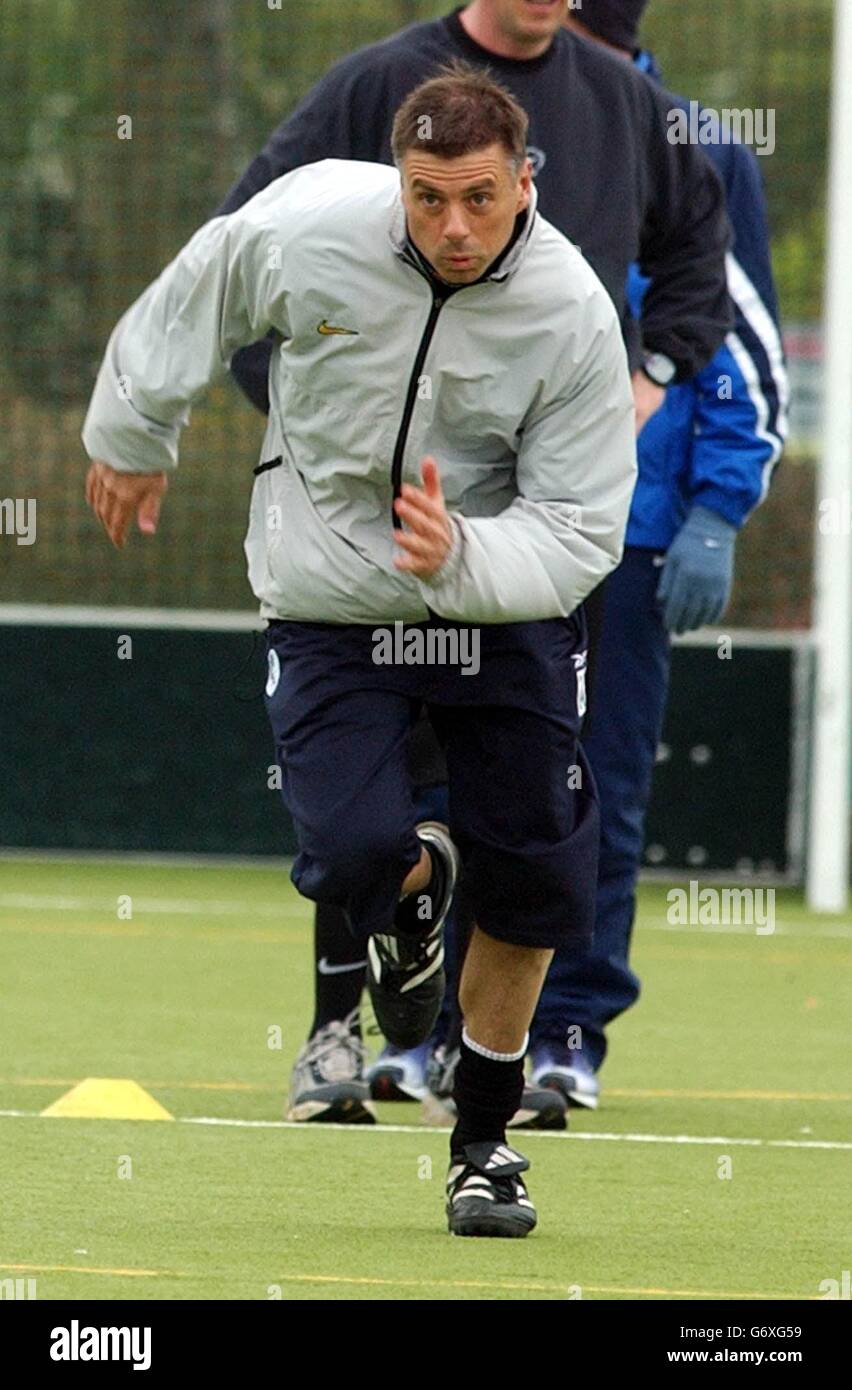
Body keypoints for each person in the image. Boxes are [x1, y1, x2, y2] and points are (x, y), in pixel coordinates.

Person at [81, 67, 637, 1236]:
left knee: (535, 877)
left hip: (505, 607)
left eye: (479, 198)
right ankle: (418, 896)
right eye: (429, 197)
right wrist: (136, 428)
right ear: (399, 178)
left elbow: (584, 528)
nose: (453, 226)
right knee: (349, 855)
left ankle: (482, 1147)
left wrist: (461, 556)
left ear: (521, 180)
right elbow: (203, 287)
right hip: (332, 596)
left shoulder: (575, 311)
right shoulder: (310, 223)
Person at [214, 0, 733, 1126]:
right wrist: (307, 417)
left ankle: (543, 1050)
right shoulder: (376, 81)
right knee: (366, 798)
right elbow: (245, 242)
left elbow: (707, 249)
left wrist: (655, 370)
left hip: (549, 531)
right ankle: (344, 1027)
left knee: (558, 807)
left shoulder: (631, 103)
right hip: (372, 526)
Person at [424, 0, 791, 1121]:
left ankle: (567, 1038)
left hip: (623, 541)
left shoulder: (687, 140)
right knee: (463, 778)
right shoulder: (473, 140)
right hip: (482, 530)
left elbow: (740, 350)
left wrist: (716, 510)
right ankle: (449, 1032)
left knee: (600, 789)